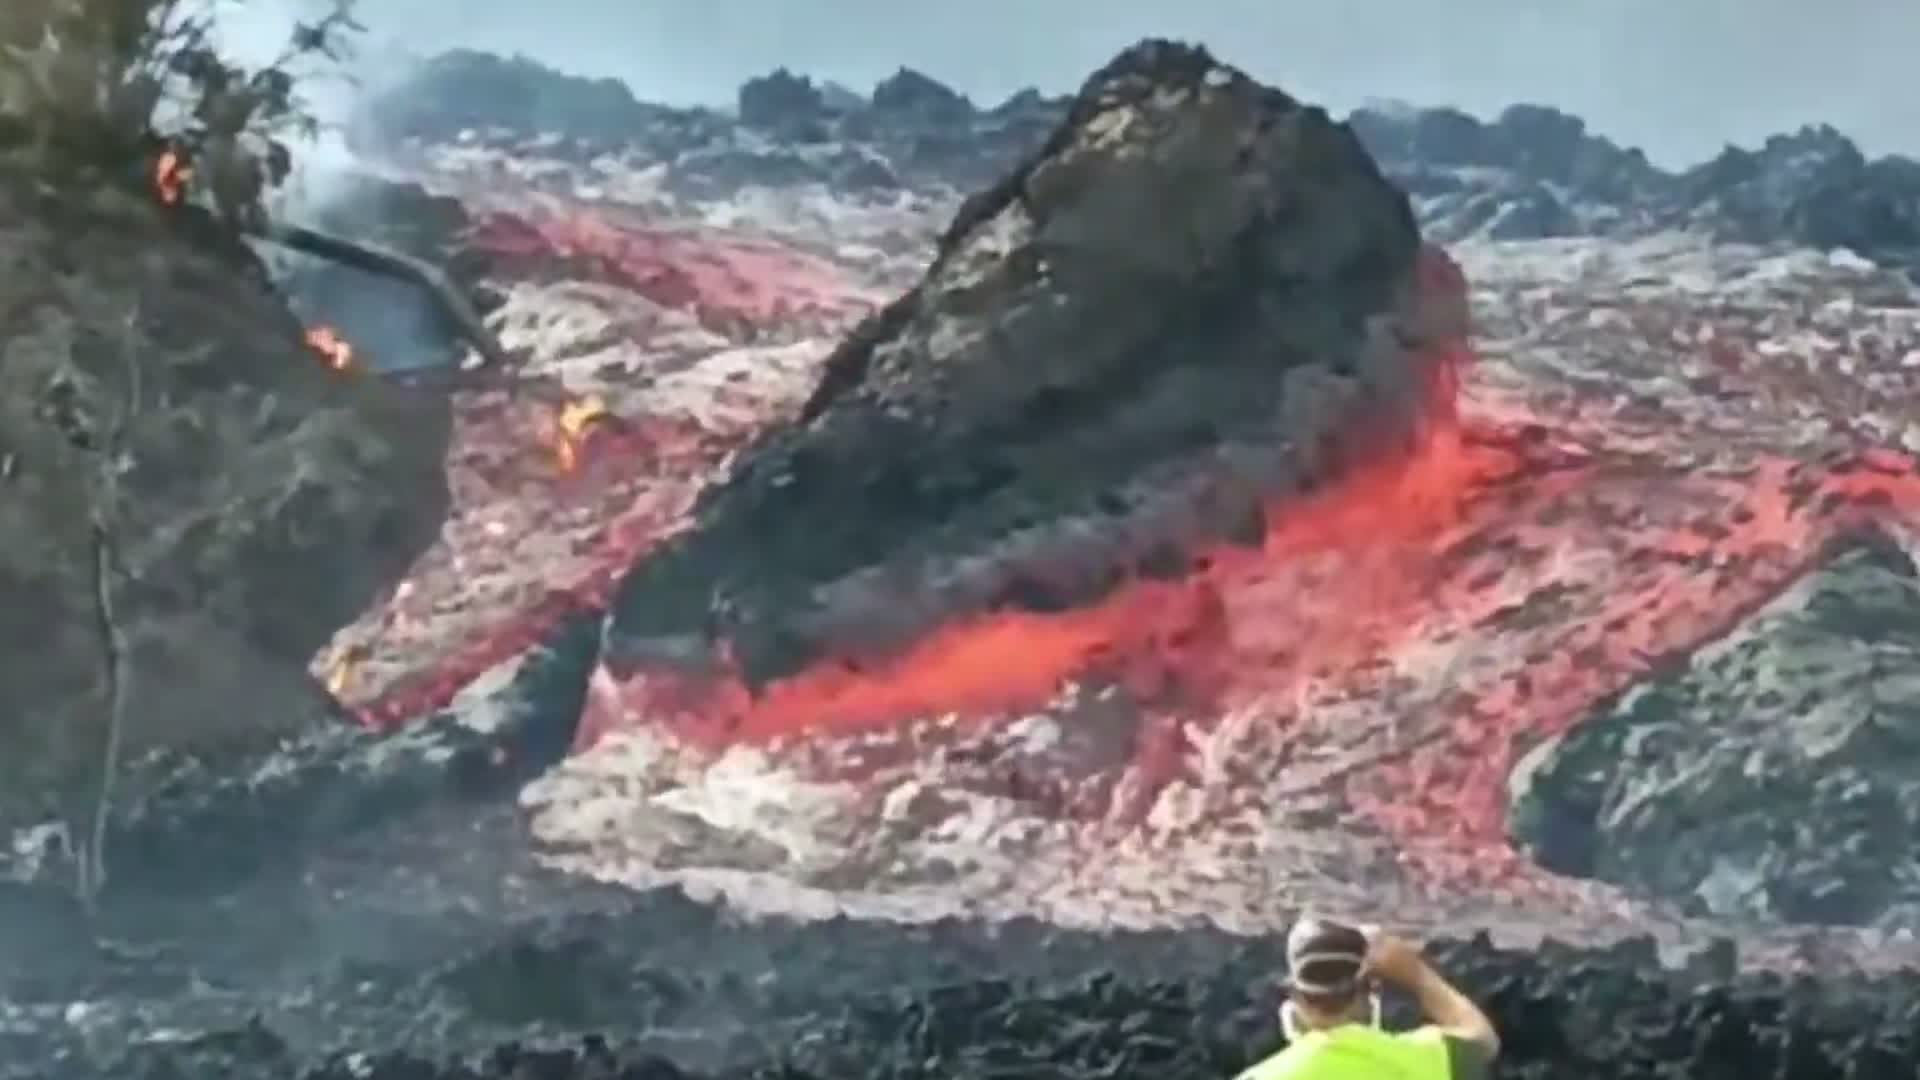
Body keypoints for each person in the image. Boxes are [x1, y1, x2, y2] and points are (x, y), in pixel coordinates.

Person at [1234, 916, 1502, 1080]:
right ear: (1369, 990)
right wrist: (1415, 974)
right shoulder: (1419, 1060)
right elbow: (1482, 1039)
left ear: (1296, 998)